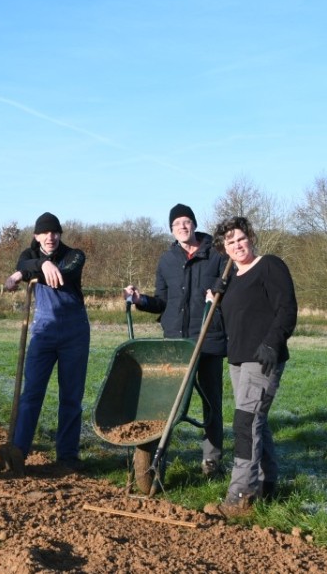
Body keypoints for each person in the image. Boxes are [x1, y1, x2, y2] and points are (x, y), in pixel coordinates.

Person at [122, 203, 228, 478]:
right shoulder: (167, 260)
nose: (182, 226)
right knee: (167, 404)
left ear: (194, 224)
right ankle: (157, 461)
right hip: (175, 344)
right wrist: (139, 300)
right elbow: (162, 302)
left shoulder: (216, 254)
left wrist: (220, 290)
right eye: (176, 224)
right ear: (171, 229)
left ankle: (212, 462)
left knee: (211, 403)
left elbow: (232, 285)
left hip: (207, 340)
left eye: (186, 221)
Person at [205, 215, 297, 519]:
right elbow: (230, 322)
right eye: (230, 242)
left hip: (263, 357)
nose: (237, 245)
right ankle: (267, 484)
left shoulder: (270, 265)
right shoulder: (232, 279)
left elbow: (287, 307)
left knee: (245, 423)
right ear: (224, 249)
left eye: (240, 238)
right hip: (238, 359)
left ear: (251, 238)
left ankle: (240, 496)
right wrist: (215, 298)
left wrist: (273, 342)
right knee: (257, 422)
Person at [2, 212, 90, 471]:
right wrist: (40, 264)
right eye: (45, 233)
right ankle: (18, 451)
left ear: (60, 234)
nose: (50, 237)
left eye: (55, 232)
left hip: (75, 333)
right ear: (36, 236)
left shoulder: (75, 255)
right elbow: (23, 265)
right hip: (44, 332)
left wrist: (36, 269)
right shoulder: (27, 256)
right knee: (31, 393)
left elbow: (63, 274)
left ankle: (67, 456)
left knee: (71, 397)